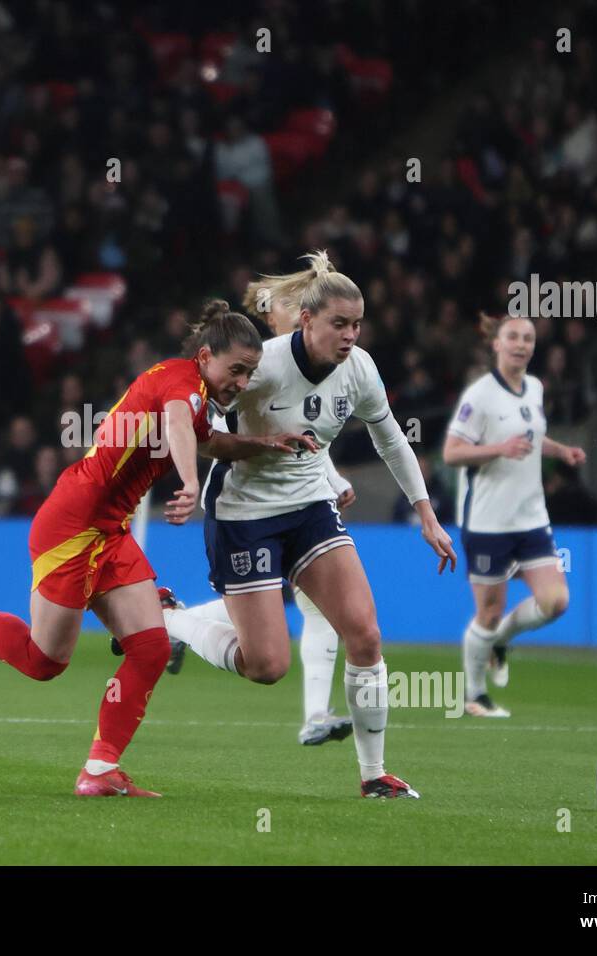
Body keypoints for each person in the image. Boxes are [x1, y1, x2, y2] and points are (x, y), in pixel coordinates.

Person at [0, 301, 315, 797]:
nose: (241, 382)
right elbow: (177, 428)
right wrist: (189, 482)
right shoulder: (180, 383)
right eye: (236, 370)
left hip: (109, 530)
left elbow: (211, 440)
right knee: (45, 662)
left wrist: (267, 442)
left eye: (250, 373)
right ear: (207, 356)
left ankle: (100, 771)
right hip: (73, 527)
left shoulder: (193, 395)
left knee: (149, 649)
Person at [162, 252, 456, 798]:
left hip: (309, 510)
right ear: (307, 322)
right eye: (338, 325)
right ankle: (170, 621)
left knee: (365, 633)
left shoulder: (360, 368)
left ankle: (375, 777)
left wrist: (427, 515)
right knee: (266, 665)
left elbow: (390, 437)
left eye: (356, 325)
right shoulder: (262, 366)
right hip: (244, 515)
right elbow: (196, 427)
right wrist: (191, 476)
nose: (349, 336)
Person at [442, 313, 587, 718]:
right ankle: (474, 695)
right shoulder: (480, 396)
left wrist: (561, 452)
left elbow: (533, 435)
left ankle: (500, 642)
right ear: (497, 344)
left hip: (532, 519)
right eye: (513, 337)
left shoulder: (535, 388)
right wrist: (497, 449)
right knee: (487, 614)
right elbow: (452, 453)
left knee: (556, 601)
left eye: (528, 338)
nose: (522, 344)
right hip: (489, 523)